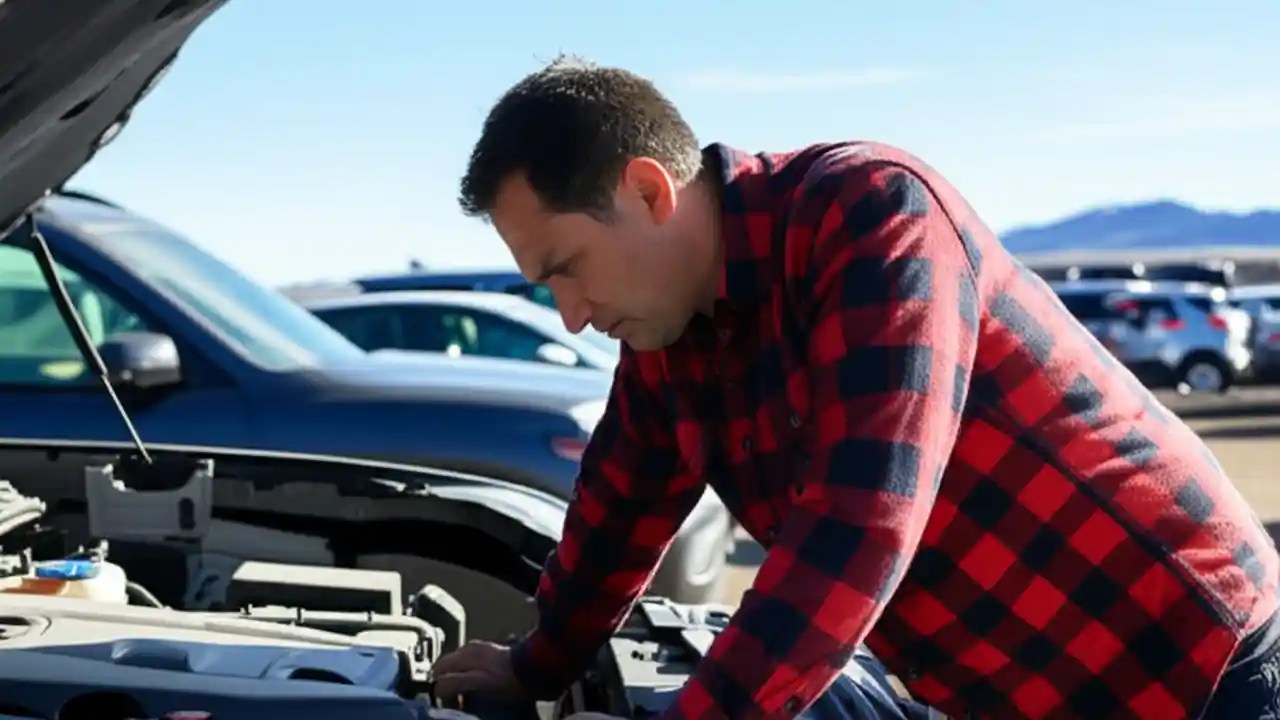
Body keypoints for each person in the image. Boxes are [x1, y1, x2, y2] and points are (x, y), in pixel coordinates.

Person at [430, 55, 1280, 719]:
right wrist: (536, 663)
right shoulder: (670, 330)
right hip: (1014, 688)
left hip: (1193, 665)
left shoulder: (871, 216)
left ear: (649, 190)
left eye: (567, 269)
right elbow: (619, 505)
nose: (570, 315)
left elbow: (858, 523)